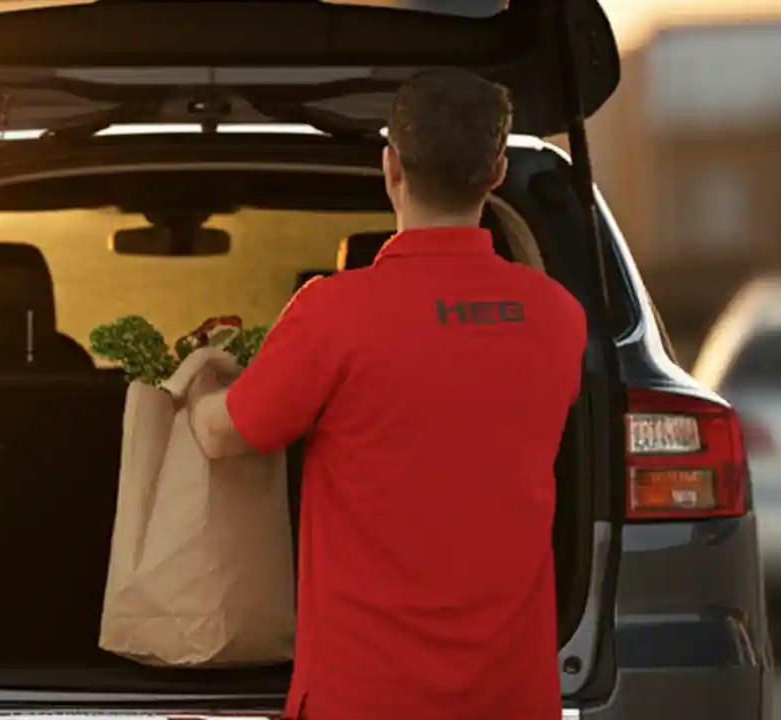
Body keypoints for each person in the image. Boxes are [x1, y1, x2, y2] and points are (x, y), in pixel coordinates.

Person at [188, 68, 587, 720]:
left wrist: (200, 387)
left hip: (364, 698)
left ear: (391, 167)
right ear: (493, 174)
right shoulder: (558, 316)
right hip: (511, 698)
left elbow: (222, 435)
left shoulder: (333, 314)